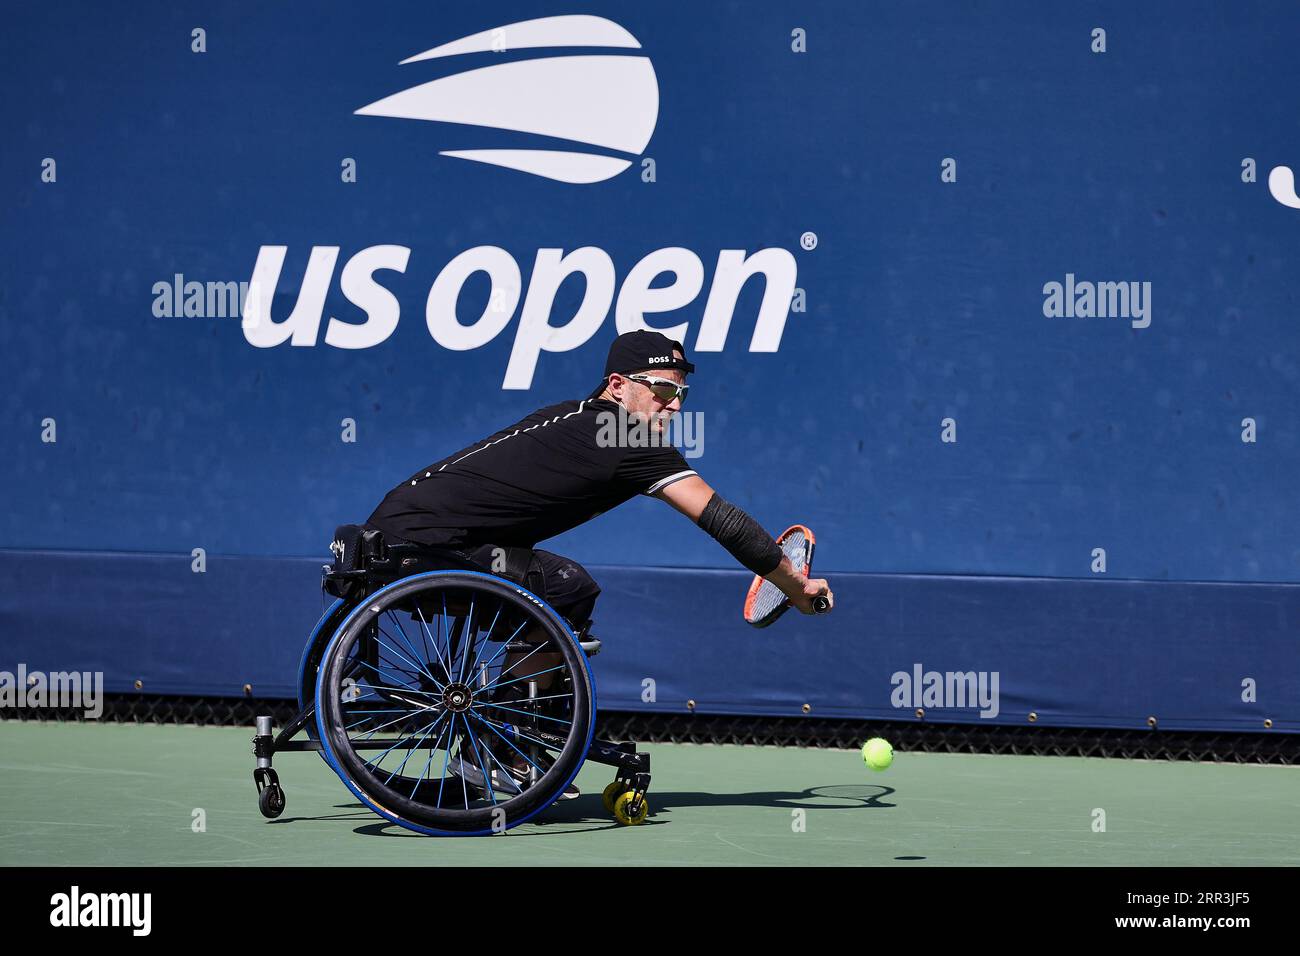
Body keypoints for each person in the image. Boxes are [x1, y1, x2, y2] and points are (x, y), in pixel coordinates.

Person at [363, 329, 834, 793]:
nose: (672, 404)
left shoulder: (576, 419)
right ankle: (495, 743)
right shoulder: (625, 437)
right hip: (422, 549)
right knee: (568, 587)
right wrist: (794, 585)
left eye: (681, 394)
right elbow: (720, 519)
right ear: (617, 385)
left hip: (390, 540)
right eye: (662, 389)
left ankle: (505, 734)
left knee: (554, 587)